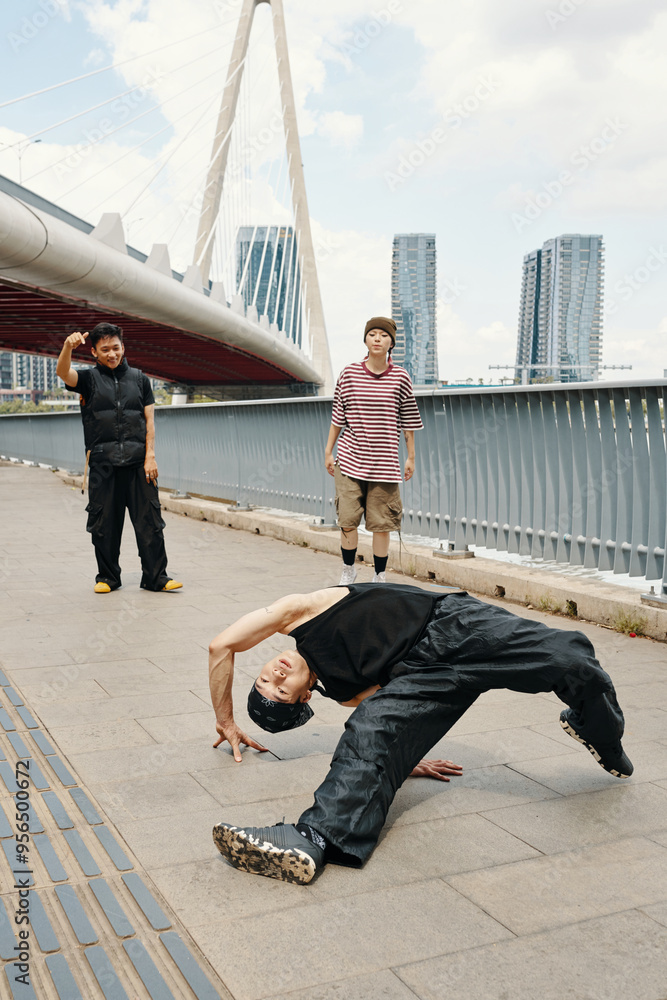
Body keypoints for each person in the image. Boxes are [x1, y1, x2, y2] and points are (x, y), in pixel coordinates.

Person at [208, 582, 632, 885]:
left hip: (456, 624)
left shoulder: (296, 614)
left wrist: (226, 721)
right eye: (281, 692)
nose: (275, 678)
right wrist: (403, 757)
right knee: (371, 728)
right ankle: (313, 839)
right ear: (303, 699)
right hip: (425, 675)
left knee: (570, 659)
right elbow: (398, 718)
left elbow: (220, 646)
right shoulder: (345, 694)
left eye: (264, 682)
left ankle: (599, 732)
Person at [56, 322, 182, 594]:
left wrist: (151, 456)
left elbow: (149, 421)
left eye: (116, 348)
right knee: (104, 525)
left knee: (150, 522)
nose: (112, 354)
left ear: (123, 348)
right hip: (103, 465)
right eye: (105, 350)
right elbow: (63, 373)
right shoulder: (88, 380)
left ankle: (156, 578)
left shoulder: (139, 379)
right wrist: (68, 346)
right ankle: (107, 578)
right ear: (94, 353)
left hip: (139, 464)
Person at [324, 317, 423, 585]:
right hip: (349, 458)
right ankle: (349, 570)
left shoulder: (401, 377)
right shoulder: (349, 374)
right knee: (347, 519)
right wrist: (328, 450)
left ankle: (379, 575)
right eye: (372, 334)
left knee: (382, 523)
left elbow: (409, 420)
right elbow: (338, 416)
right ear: (365, 340)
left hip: (385, 462)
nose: (377, 339)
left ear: (391, 343)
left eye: (383, 335)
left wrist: (411, 457)